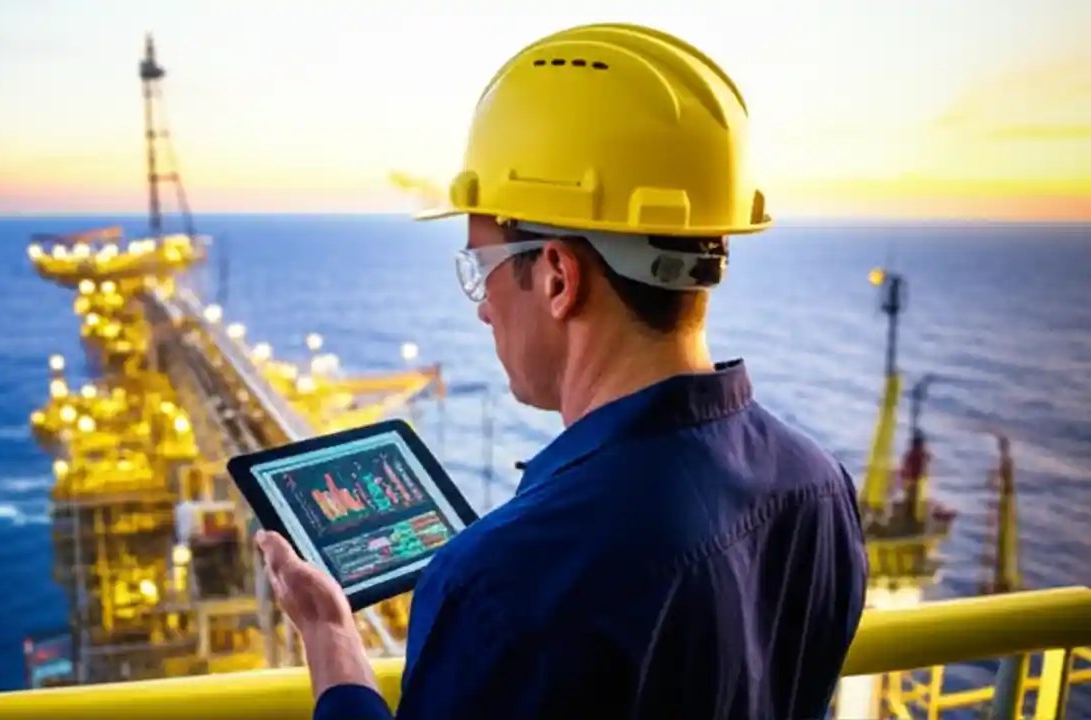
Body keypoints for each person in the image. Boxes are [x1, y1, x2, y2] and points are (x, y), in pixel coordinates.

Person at [255, 22, 869, 719]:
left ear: (556, 278)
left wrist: (332, 640)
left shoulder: (508, 579)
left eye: (479, 269)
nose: (483, 309)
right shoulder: (818, 488)